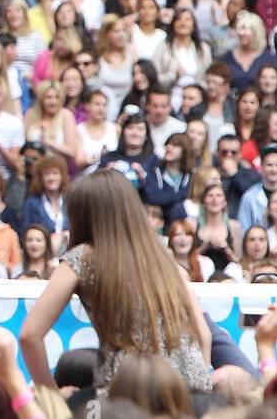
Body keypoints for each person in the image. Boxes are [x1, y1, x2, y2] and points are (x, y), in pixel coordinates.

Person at [19, 169, 213, 395]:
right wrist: (200, 387)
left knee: (87, 417)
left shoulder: (83, 257)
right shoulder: (163, 258)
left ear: (81, 214)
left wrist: (52, 400)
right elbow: (204, 335)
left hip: (127, 391)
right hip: (189, 392)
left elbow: (29, 335)